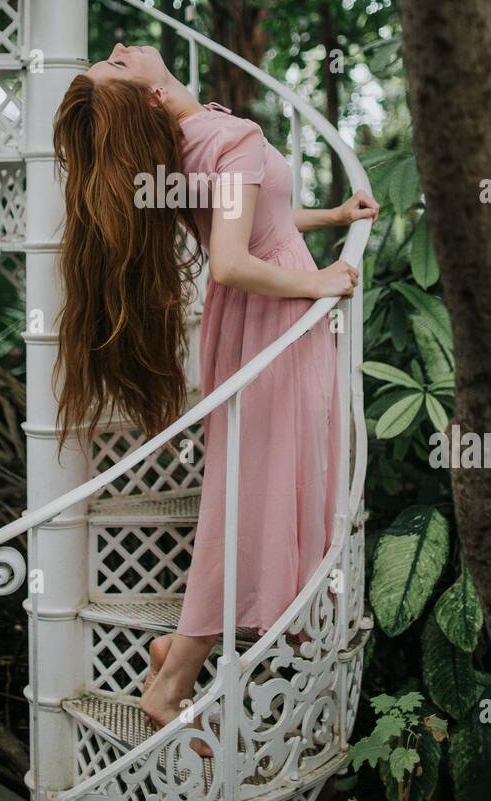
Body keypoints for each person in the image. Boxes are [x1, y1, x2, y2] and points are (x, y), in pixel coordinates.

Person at [53, 42, 378, 750]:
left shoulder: (190, 143)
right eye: (113, 66)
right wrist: (322, 282)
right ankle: (170, 688)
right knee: (250, 503)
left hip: (257, 325)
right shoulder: (227, 136)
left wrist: (332, 217)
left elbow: (258, 223)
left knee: (252, 494)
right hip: (271, 325)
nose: (117, 49)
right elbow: (231, 263)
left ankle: (179, 655)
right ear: (143, 96)